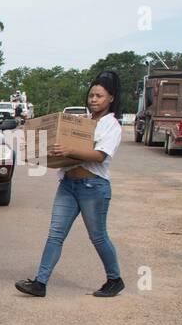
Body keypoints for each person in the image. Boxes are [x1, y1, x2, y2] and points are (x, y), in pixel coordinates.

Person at [15, 71, 124, 298]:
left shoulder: (110, 125)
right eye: (91, 95)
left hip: (93, 187)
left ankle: (115, 279)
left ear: (111, 99)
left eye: (99, 96)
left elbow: (100, 155)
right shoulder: (83, 123)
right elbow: (62, 148)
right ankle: (40, 283)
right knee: (55, 234)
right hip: (68, 185)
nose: (93, 100)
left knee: (98, 236)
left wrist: (70, 150)